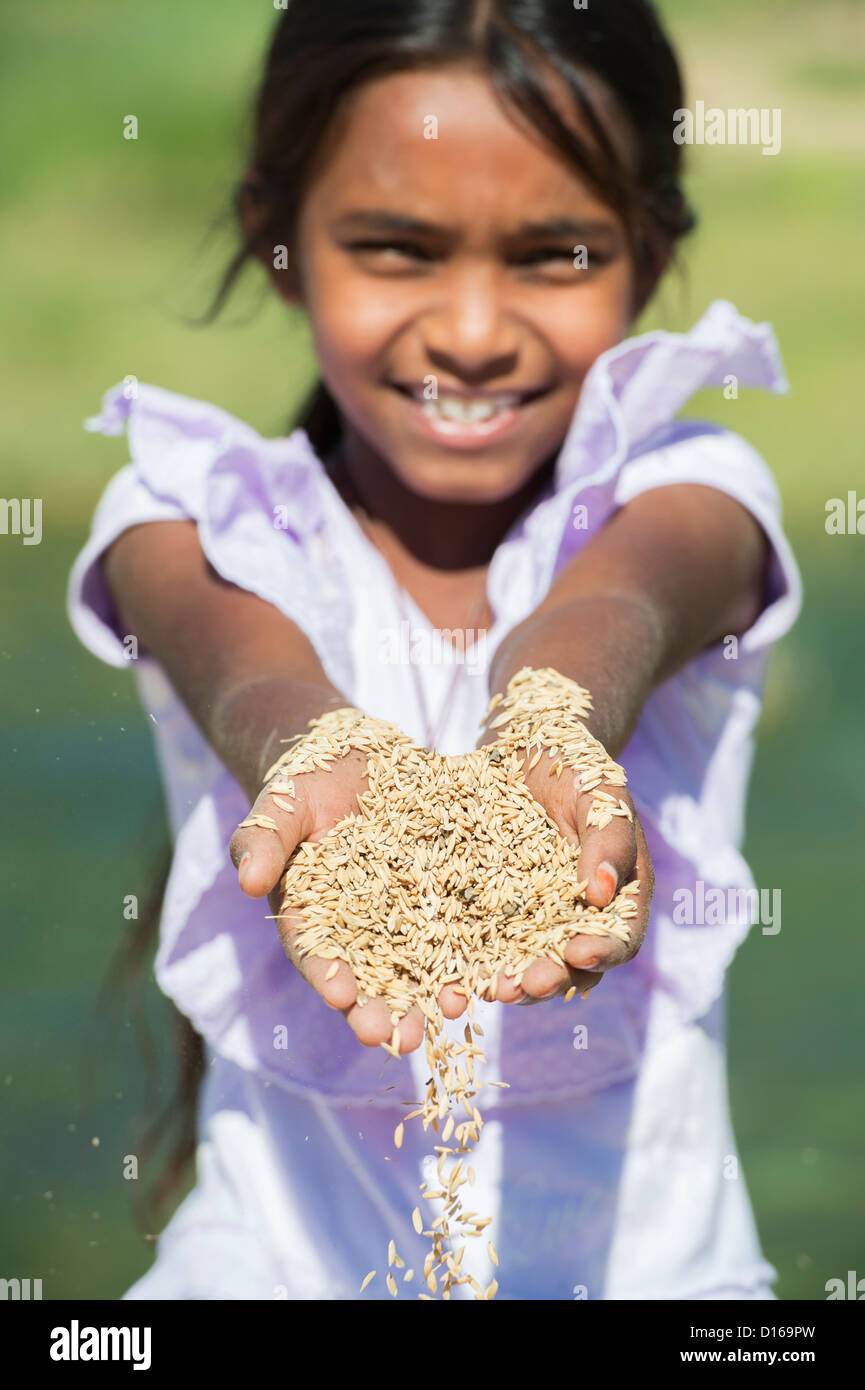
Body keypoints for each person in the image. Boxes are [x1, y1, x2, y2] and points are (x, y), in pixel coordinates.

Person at [68, 0, 802, 1299]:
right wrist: (312, 745)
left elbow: (624, 602)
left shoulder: (688, 493)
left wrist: (548, 715)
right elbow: (247, 669)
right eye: (395, 249)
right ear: (277, 241)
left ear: (651, 247)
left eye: (553, 254)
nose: (471, 329)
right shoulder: (190, 517)